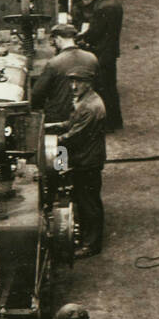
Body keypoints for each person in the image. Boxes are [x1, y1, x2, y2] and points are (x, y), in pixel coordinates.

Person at [54, 52, 107, 257]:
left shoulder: (90, 107)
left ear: (88, 83)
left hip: (87, 161)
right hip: (85, 158)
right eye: (72, 82)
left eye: (79, 82)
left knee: (89, 202)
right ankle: (85, 236)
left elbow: (75, 135)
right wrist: (54, 126)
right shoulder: (84, 101)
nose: (74, 87)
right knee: (85, 199)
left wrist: (51, 141)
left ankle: (91, 245)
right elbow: (71, 124)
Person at [31, 24, 94, 127]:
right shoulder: (92, 58)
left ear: (58, 39)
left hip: (59, 117)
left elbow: (37, 94)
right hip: (85, 114)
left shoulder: (54, 63)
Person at [79, 0, 124, 131]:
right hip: (110, 52)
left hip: (102, 53)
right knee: (111, 88)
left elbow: (95, 33)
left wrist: (82, 36)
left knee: (103, 89)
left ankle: (108, 124)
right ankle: (116, 121)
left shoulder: (103, 7)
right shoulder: (115, 3)